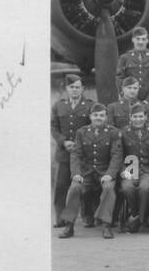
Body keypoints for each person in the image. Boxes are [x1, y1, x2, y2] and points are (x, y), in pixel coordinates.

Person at [58, 103, 122, 239]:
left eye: (101, 115)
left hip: (104, 171)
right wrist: (76, 173)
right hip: (85, 172)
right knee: (74, 188)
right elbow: (75, 154)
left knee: (109, 188)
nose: (98, 118)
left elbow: (116, 156)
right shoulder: (82, 132)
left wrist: (110, 174)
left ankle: (106, 225)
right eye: (95, 115)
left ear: (106, 117)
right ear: (90, 116)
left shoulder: (113, 132)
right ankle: (69, 226)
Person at [51, 73, 92, 226]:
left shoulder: (89, 106)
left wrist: (78, 144)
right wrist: (63, 141)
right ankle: (61, 218)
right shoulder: (59, 105)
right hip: (64, 153)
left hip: (83, 154)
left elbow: (92, 127)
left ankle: (87, 216)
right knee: (61, 186)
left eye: (78, 87)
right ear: (67, 88)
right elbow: (54, 127)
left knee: (84, 186)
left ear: (83, 89)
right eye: (72, 87)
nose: (75, 90)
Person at [117, 101, 149, 233]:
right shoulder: (123, 132)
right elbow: (119, 155)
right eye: (135, 117)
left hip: (148, 169)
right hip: (130, 167)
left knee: (145, 188)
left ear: (146, 117)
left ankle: (138, 219)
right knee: (127, 187)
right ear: (130, 118)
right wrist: (123, 171)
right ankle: (135, 214)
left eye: (141, 116)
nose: (138, 119)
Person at [115, 26, 149, 108]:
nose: (140, 42)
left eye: (143, 39)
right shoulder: (124, 58)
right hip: (130, 102)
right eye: (138, 39)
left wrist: (148, 101)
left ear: (147, 41)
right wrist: (126, 97)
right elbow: (119, 79)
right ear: (133, 39)